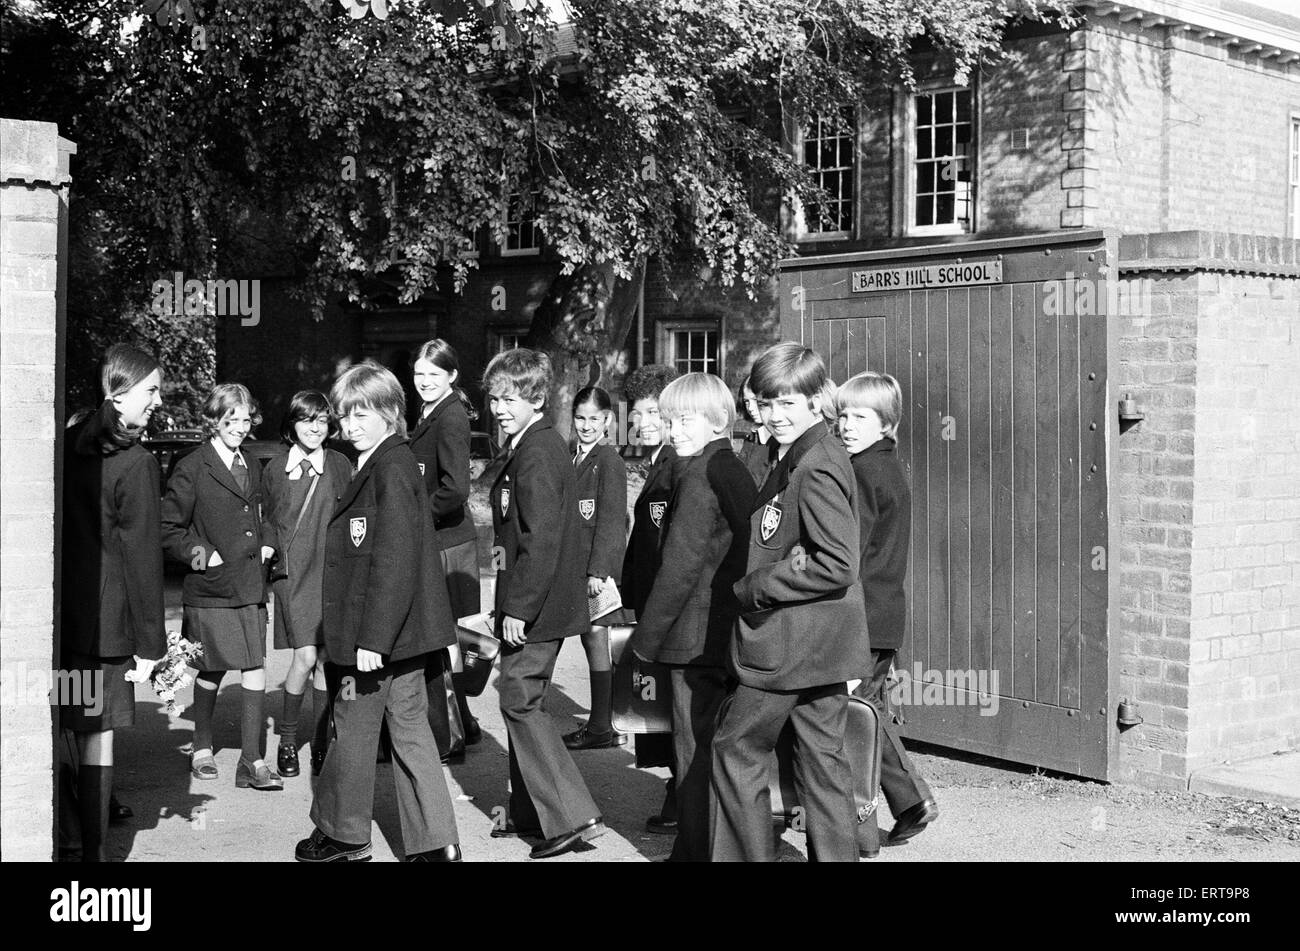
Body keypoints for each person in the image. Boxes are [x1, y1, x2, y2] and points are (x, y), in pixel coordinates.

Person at [295, 362, 461, 862]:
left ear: (391, 413)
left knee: (352, 725)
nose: (351, 424)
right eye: (346, 413)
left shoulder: (389, 467)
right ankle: (437, 845)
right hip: (403, 636)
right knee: (408, 730)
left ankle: (344, 835)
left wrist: (374, 640)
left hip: (380, 638)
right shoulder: (385, 464)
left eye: (363, 412)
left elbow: (393, 561)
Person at [710, 342, 869, 862]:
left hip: (788, 644)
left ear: (816, 399)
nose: (775, 415)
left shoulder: (814, 463)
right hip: (819, 644)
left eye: (787, 403)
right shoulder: (804, 450)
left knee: (736, 750)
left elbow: (836, 562)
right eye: (767, 402)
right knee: (822, 762)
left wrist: (754, 588)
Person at [485, 348, 605, 859]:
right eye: (494, 398)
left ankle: (571, 816)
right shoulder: (534, 444)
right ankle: (533, 811)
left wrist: (519, 608)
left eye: (509, 398)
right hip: (537, 600)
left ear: (535, 398)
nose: (498, 408)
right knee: (520, 696)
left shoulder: (536, 450)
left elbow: (542, 539)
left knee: (517, 697)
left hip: (538, 604)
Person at [629, 373, 755, 861]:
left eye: (685, 419)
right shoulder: (730, 465)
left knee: (692, 752)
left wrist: (645, 639)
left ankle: (695, 852)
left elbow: (680, 565)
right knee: (710, 746)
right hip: (722, 629)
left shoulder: (700, 474)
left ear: (718, 420)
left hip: (692, 635)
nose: (673, 430)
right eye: (668, 420)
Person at [60, 344, 167, 861]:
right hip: (105, 631)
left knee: (72, 726)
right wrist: (152, 644)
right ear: (117, 393)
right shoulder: (138, 464)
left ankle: (67, 834)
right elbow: (142, 563)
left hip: (65, 622)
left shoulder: (65, 447)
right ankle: (96, 857)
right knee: (97, 735)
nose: (158, 400)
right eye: (150, 390)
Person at [836, 371, 939, 850]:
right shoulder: (888, 467)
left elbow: (848, 554)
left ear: (887, 424)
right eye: (843, 415)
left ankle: (899, 804)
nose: (847, 425)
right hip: (880, 614)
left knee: (857, 715)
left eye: (861, 417)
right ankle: (909, 801)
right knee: (867, 710)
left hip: (863, 616)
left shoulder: (862, 472)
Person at [162, 383, 281, 791]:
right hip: (211, 587)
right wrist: (202, 554)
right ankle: (201, 748)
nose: (240, 428)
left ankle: (252, 760)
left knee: (254, 666)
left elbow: (263, 512)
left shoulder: (252, 461)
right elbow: (169, 529)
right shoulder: (191, 466)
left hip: (249, 585)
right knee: (211, 668)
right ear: (214, 420)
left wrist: (268, 541)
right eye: (231, 420)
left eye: (246, 420)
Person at [261, 391, 352, 779]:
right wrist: (267, 546)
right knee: (305, 657)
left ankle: (319, 742)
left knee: (326, 662)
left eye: (320, 421)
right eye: (305, 420)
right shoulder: (275, 468)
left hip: (331, 574)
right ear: (291, 425)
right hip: (293, 575)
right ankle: (286, 740)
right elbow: (265, 516)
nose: (314, 428)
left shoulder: (340, 463)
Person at [410, 339, 482, 758]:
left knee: (446, 636)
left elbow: (455, 489)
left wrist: (416, 522)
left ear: (451, 376)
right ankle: (465, 723)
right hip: (440, 538)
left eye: (433, 375)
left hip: (447, 540)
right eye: (419, 374)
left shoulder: (450, 416)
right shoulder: (430, 410)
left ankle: (453, 731)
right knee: (445, 635)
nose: (424, 382)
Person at [619, 363, 681, 833]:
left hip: (669, 613)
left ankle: (683, 797)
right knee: (664, 708)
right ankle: (679, 792)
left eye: (647, 412)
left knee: (676, 710)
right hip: (654, 606)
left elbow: (667, 552)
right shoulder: (661, 460)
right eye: (635, 413)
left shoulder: (675, 465)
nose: (638, 422)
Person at [563, 386, 629, 751]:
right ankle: (606, 721)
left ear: (607, 420)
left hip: (596, 572)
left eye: (594, 419)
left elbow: (611, 519)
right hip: (579, 567)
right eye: (580, 418)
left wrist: (598, 571)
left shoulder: (608, 460)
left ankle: (602, 725)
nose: (586, 426)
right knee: (592, 641)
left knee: (598, 641)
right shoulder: (574, 457)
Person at [735, 374, 775, 487]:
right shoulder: (752, 436)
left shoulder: (778, 439)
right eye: (746, 401)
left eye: (755, 400)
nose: (750, 408)